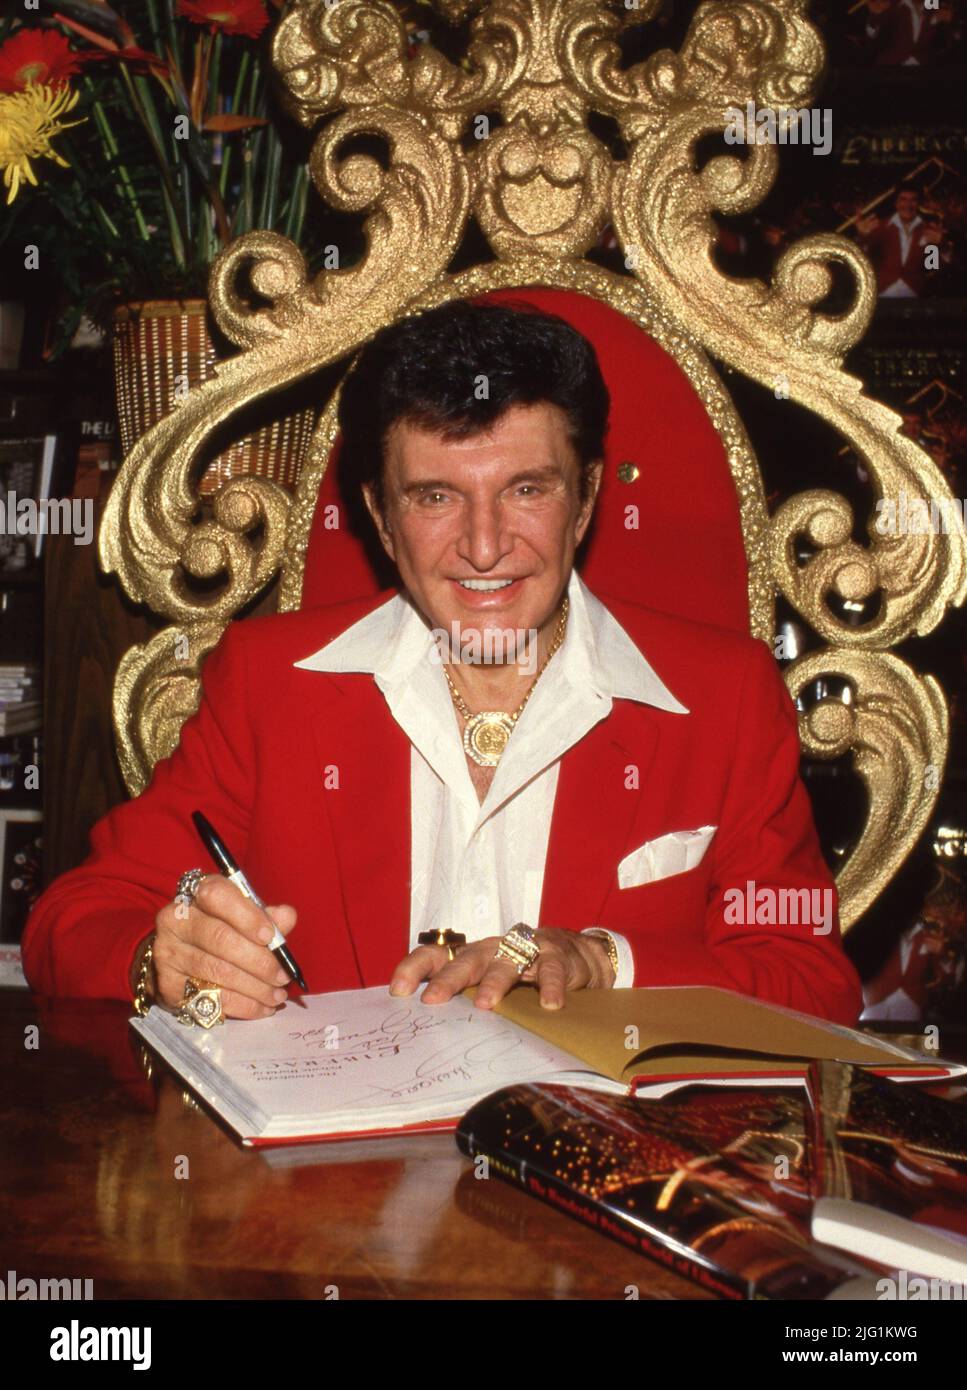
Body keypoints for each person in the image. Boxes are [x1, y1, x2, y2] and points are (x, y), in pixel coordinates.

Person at [22, 301, 863, 1025]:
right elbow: (72, 921)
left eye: (527, 489)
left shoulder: (724, 696)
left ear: (587, 499)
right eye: (435, 498)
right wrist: (161, 963)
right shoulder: (266, 684)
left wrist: (609, 961)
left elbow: (811, 982)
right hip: (325, 1196)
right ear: (380, 521)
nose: (485, 546)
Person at [856, 187, 932, 298]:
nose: (908, 205)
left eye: (913, 200)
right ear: (896, 203)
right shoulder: (881, 226)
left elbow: (933, 267)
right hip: (883, 293)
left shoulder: (928, 229)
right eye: (903, 199)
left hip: (915, 296)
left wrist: (940, 245)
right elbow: (864, 256)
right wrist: (862, 236)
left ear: (918, 204)